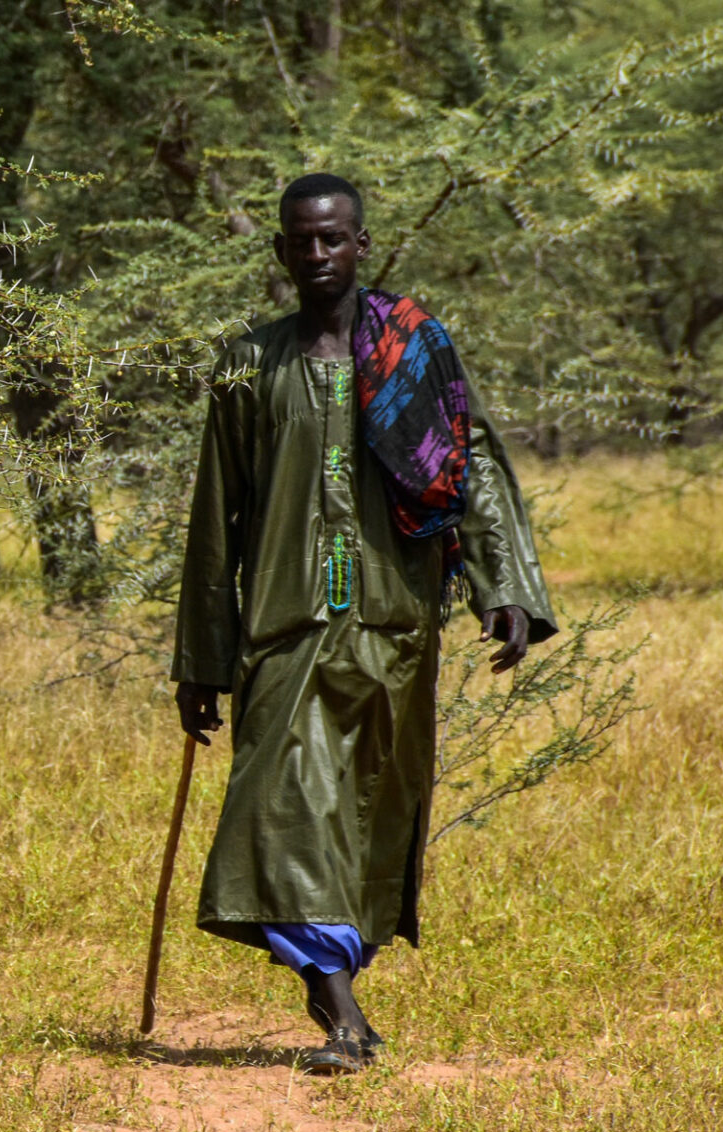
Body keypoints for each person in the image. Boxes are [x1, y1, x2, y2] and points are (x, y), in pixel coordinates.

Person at [172, 172, 556, 1074]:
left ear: (360, 245)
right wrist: (202, 659)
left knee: (373, 810)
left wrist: (503, 587)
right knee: (281, 805)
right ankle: (340, 1009)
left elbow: (475, 470)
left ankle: (344, 991)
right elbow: (214, 515)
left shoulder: (416, 353)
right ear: (280, 251)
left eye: (332, 239)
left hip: (393, 621)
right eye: (301, 242)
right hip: (284, 625)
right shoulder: (247, 365)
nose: (317, 255)